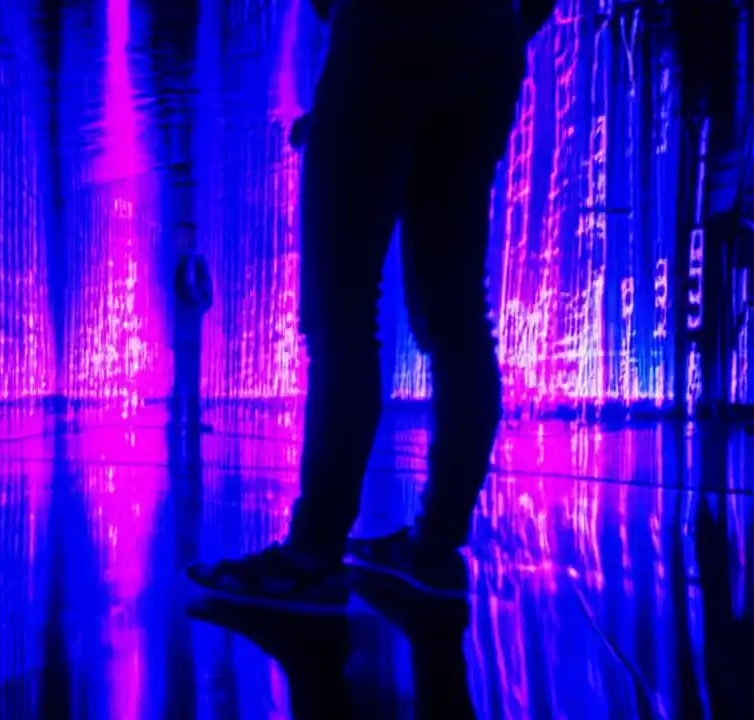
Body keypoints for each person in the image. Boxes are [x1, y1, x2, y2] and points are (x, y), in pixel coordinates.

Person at [188, 0, 557, 609]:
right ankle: (434, 546)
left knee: (342, 307)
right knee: (458, 314)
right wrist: (498, 30)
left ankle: (312, 555)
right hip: (489, 42)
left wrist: (359, 56)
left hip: (385, 31)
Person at [172, 220, 213, 433]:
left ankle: (192, 421)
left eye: (185, 236)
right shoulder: (178, 265)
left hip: (192, 328)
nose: (182, 240)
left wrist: (197, 299)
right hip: (180, 328)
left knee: (192, 375)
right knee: (180, 376)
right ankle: (179, 421)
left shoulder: (198, 264)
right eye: (180, 236)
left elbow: (207, 297)